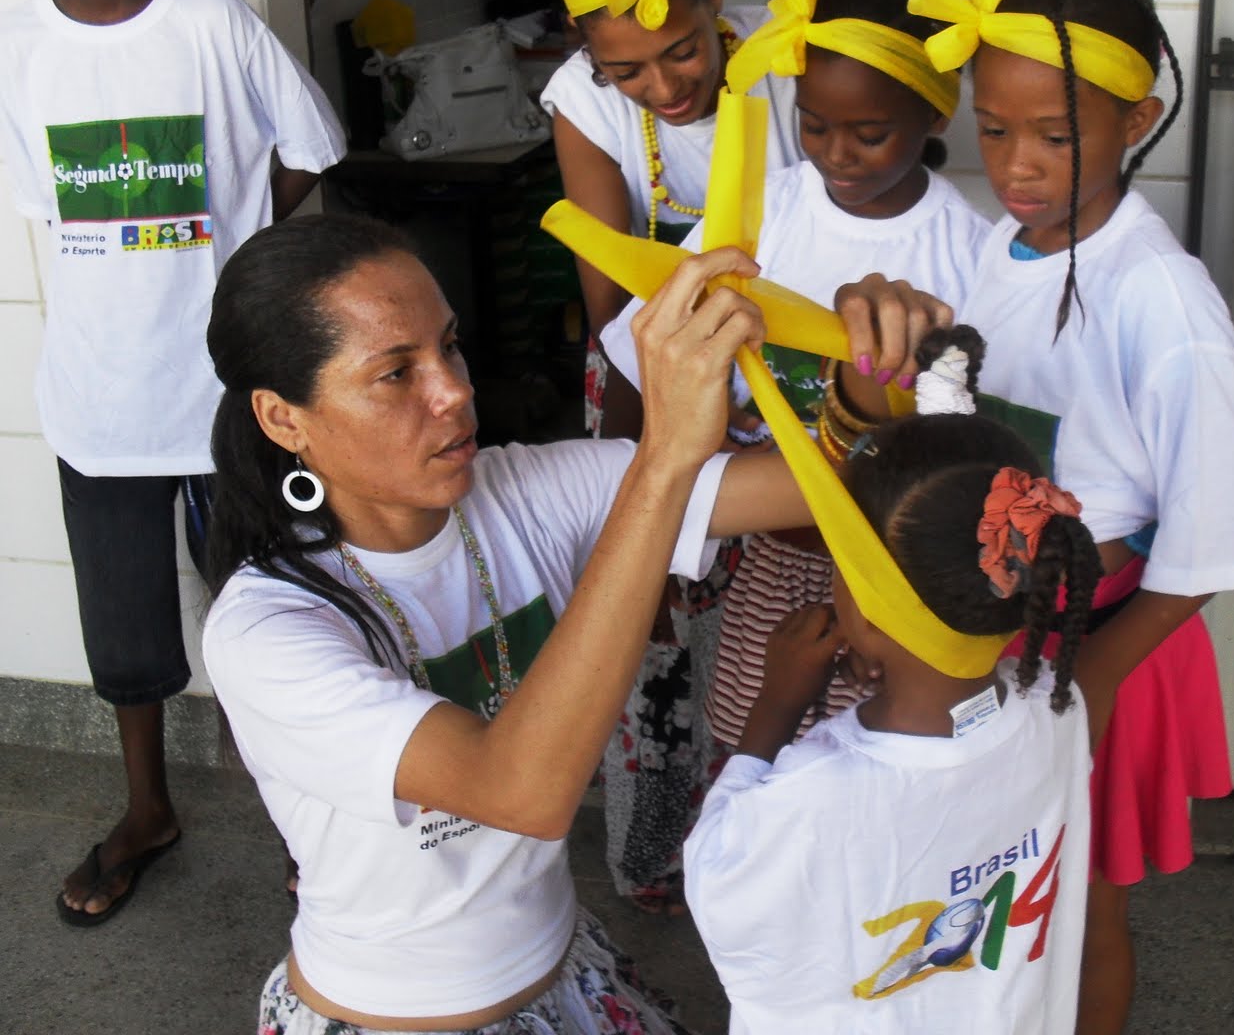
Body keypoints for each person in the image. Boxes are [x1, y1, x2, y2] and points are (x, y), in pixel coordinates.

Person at [200, 214, 812, 1033]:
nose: (455, 390)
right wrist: (664, 461)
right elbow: (520, 791)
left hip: (568, 974)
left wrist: (869, 379)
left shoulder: (526, 491)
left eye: (448, 347)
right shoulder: (263, 631)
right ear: (284, 419)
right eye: (395, 373)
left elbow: (810, 490)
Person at [840, 0, 1234, 1035]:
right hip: (1011, 622)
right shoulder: (1003, 245)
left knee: (1078, 904)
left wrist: (1087, 690)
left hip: (1107, 637)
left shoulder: (1158, 295)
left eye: (1054, 135)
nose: (1017, 166)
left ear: (1139, 116)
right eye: (993, 130)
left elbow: (1219, 530)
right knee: (1002, 881)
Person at [0, 0, 345, 925]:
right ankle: (146, 808)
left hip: (224, 401)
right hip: (102, 404)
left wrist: (242, 246)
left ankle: (312, 825)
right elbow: (49, 209)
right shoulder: (17, 51)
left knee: (277, 614)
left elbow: (310, 148)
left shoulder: (211, 23)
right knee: (128, 634)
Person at [685, 327, 1203, 1033]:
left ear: (863, 608)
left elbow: (718, 884)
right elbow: (1198, 565)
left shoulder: (812, 795)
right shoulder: (1062, 710)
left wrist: (778, 708)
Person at [602, 0, 989, 754]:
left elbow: (969, 448)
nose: (836, 154)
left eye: (869, 132)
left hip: (896, 576)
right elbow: (644, 355)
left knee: (873, 754)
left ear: (931, 113)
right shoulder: (760, 210)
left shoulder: (970, 256)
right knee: (753, 737)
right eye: (814, 125)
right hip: (770, 553)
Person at [539, 0, 803, 914]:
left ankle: (772, 845)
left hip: (784, 363)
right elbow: (608, 299)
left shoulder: (781, 69)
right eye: (628, 73)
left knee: (775, 614)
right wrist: (638, 488)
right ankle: (656, 853)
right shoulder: (583, 101)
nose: (663, 86)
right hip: (650, 366)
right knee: (646, 614)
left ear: (718, 3)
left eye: (683, 52)